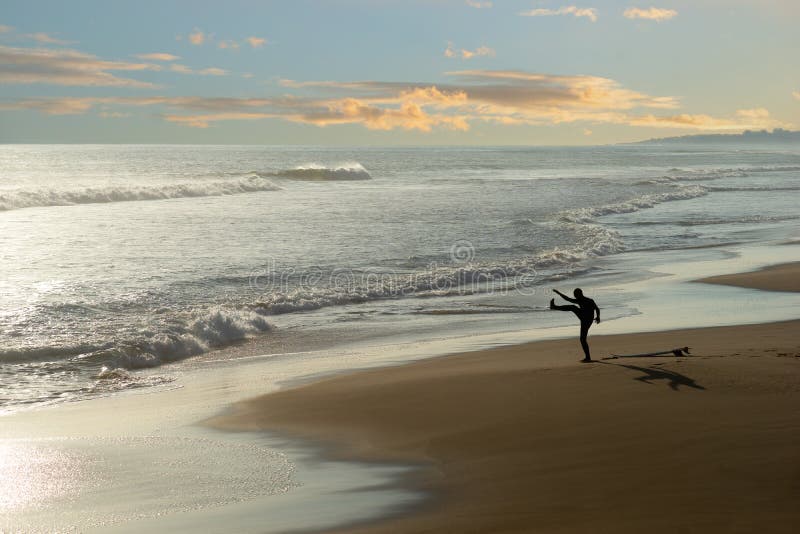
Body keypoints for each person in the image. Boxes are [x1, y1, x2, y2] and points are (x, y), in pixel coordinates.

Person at [550, 288, 600, 362]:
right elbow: (597, 309)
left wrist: (558, 293)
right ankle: (588, 357)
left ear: (579, 294)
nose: (575, 296)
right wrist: (598, 317)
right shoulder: (588, 300)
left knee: (582, 339)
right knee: (572, 307)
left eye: (575, 295)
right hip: (587, 318)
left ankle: (588, 357)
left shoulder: (586, 300)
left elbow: (596, 308)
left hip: (585, 319)